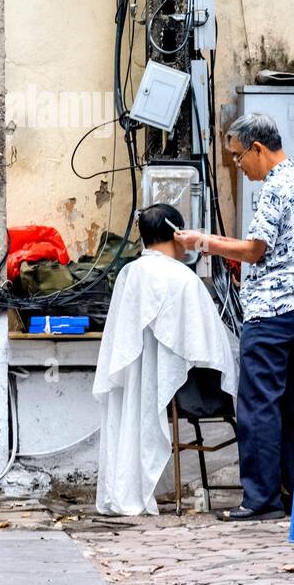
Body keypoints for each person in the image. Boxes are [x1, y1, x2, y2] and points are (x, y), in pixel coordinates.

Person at [174, 113, 294, 522]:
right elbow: (257, 246)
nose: (238, 167)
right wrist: (207, 242)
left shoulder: (275, 188)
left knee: (259, 406)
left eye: (239, 157)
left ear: (259, 149)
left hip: (273, 315)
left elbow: (255, 251)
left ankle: (260, 500)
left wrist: (205, 242)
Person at [93, 204, 238, 516]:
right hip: (188, 392)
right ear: (177, 234)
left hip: (136, 385)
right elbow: (210, 347)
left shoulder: (128, 274)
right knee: (242, 374)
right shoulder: (183, 280)